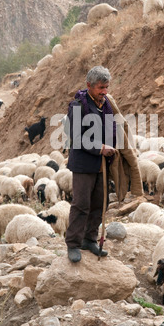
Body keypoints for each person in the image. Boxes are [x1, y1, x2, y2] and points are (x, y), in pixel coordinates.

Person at [64, 65, 117, 263]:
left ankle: (90, 239)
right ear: (89, 86)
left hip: (102, 164)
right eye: (100, 88)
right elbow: (76, 137)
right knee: (81, 204)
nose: (104, 92)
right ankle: (73, 243)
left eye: (106, 87)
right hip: (84, 164)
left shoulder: (106, 104)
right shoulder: (77, 105)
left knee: (99, 203)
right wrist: (99, 148)